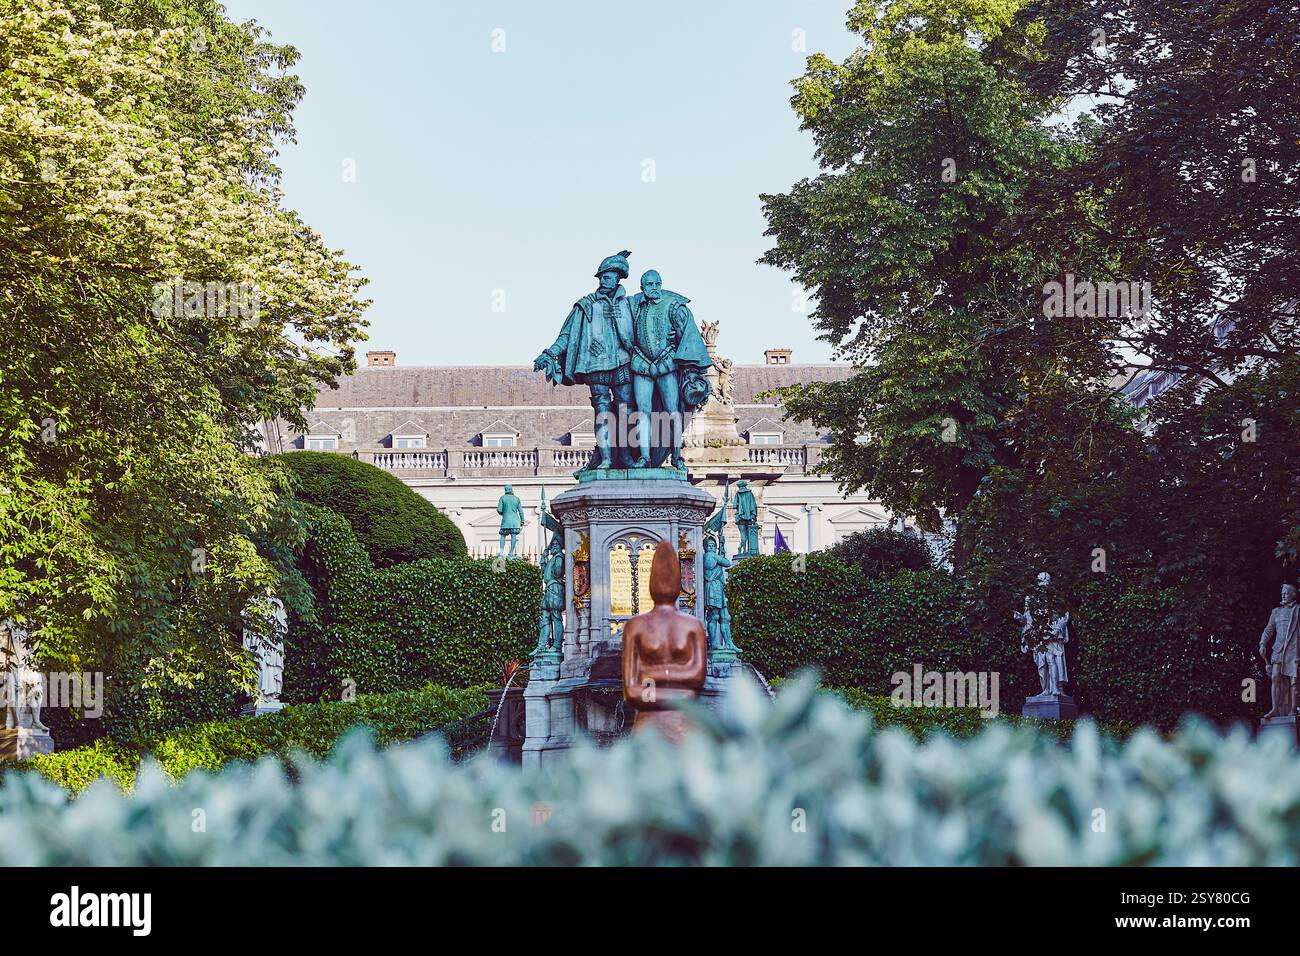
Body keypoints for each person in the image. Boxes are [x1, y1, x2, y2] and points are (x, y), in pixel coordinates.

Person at [534, 251, 636, 470]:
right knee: (603, 412)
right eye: (600, 277)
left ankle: (626, 457)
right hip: (597, 365)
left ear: (618, 278)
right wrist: (550, 353)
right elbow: (567, 336)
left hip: (624, 363)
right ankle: (607, 458)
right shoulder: (586, 305)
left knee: (626, 410)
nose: (602, 280)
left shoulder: (631, 305)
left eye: (606, 276)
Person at [621, 541, 707, 742]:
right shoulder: (636, 626)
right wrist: (678, 696)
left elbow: (698, 676)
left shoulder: (693, 625)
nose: (664, 582)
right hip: (656, 725)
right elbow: (631, 691)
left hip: (679, 725)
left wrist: (650, 674)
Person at [1259, 583, 1299, 719]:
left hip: (1293, 651)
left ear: (1294, 594)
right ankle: (1275, 708)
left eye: (1286, 593)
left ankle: (1293, 711)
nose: (1283, 595)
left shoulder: (1298, 610)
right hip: (1278, 649)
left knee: (1294, 683)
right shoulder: (1276, 612)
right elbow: (1269, 629)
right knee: (1275, 677)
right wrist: (1263, 643)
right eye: (1282, 593)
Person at [496, 484, 524, 556]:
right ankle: (511, 553)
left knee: (503, 535)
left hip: (506, 520)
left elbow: (499, 509)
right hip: (515, 520)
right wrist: (522, 520)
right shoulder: (516, 499)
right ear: (511, 489)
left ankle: (502, 552)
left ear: (505, 490)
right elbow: (520, 511)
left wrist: (503, 512)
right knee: (513, 536)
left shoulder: (503, 498)